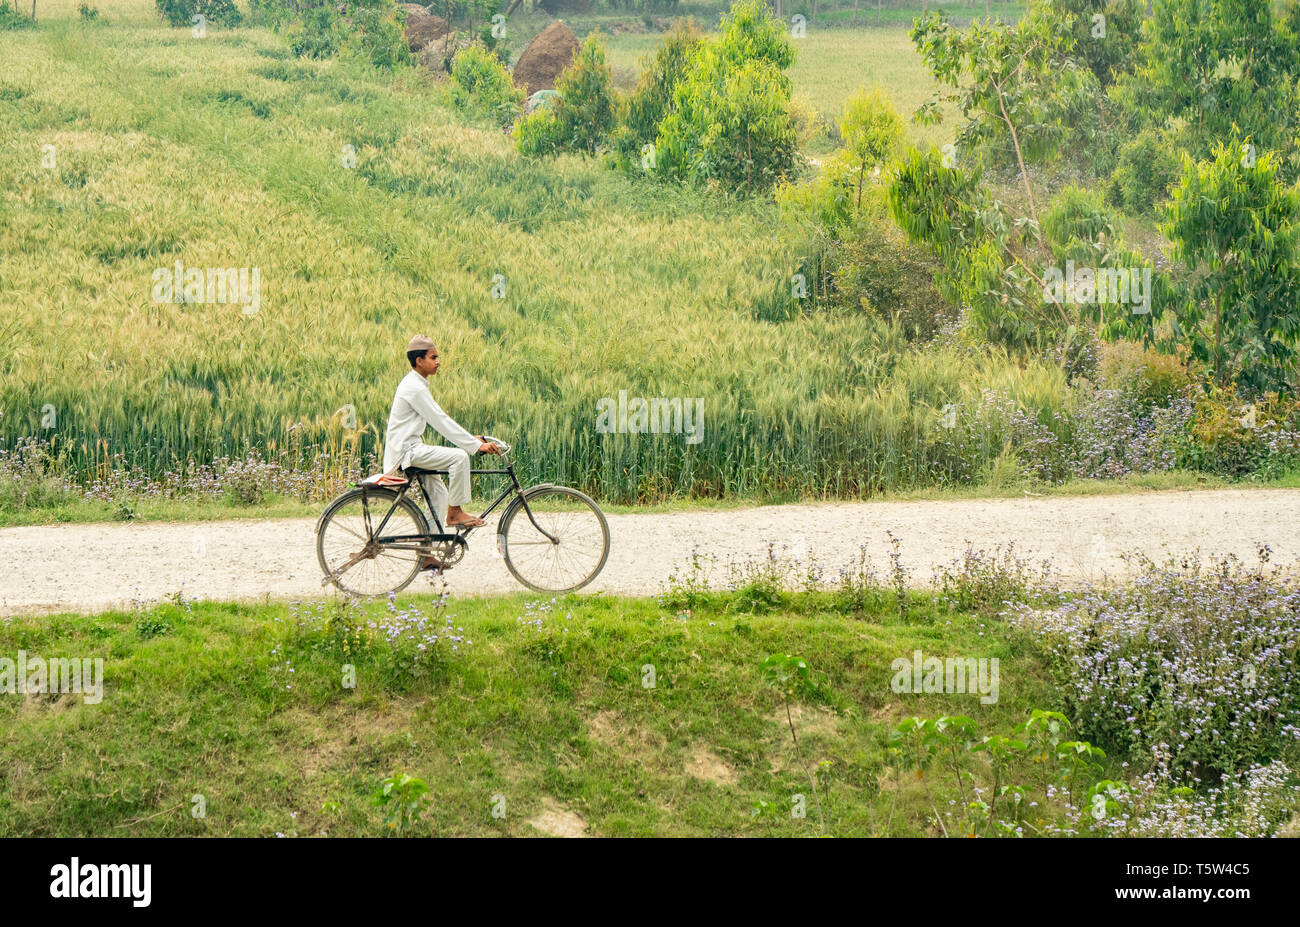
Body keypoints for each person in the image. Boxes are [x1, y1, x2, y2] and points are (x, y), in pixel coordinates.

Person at [382, 335, 499, 571]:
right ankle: (455, 514)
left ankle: (426, 554)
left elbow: (440, 419)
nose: (438, 362)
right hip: (408, 451)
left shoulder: (416, 384)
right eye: (433, 357)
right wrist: (473, 445)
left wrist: (470, 439)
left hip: (409, 448)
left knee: (439, 494)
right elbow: (440, 420)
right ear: (419, 360)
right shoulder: (414, 387)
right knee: (459, 457)